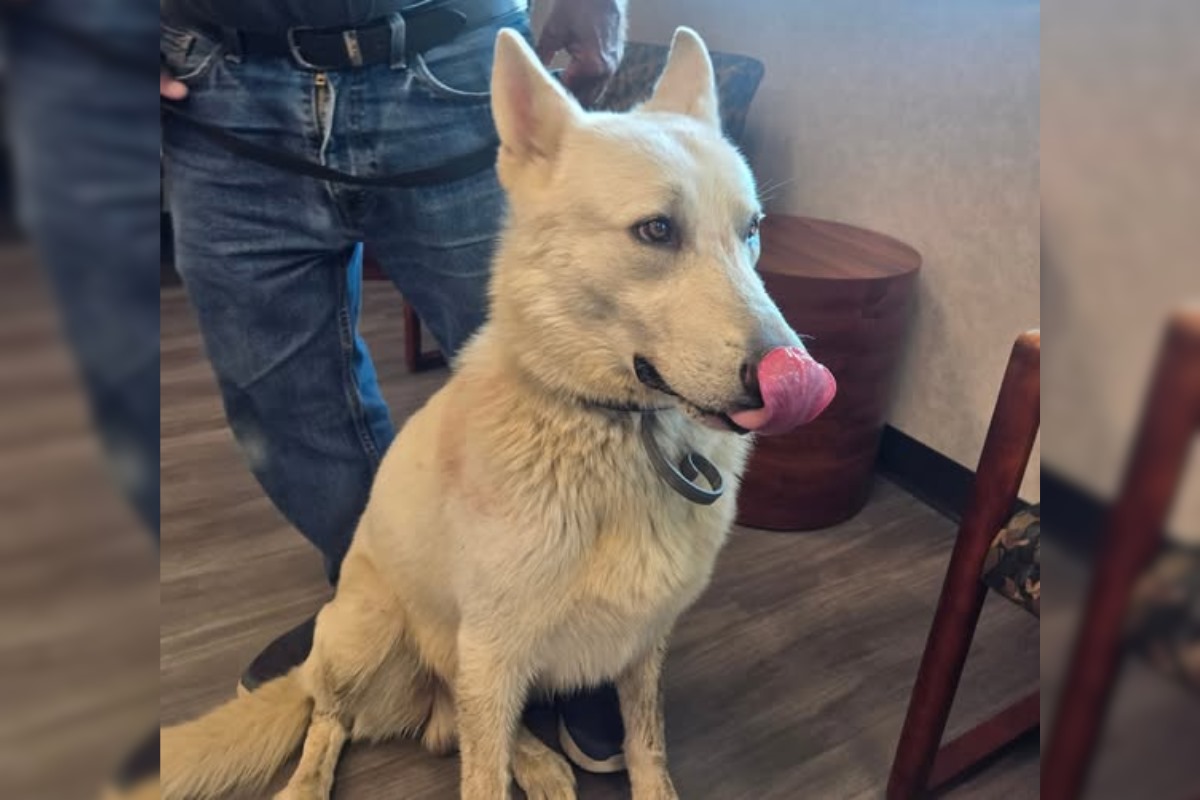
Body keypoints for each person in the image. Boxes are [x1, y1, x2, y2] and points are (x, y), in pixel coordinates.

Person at [161, 0, 630, 773]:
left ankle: (583, 630)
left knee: (567, 387)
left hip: (451, 61)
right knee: (284, 407)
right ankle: (382, 599)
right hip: (218, 80)